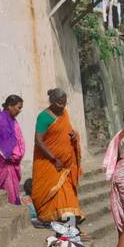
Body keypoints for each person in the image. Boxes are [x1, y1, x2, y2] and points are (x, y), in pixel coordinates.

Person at [31, 88, 85, 230]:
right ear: (53, 102)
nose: (63, 107)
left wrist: (74, 135)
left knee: (67, 194)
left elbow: (66, 131)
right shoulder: (44, 117)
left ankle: (69, 225)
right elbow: (38, 140)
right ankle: (51, 219)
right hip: (49, 163)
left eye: (65, 104)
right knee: (53, 193)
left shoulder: (64, 114)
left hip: (65, 166)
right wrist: (54, 159)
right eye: (60, 104)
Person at [0, 95, 26, 204]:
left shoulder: (13, 120)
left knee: (14, 190)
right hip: (3, 164)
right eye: (18, 107)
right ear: (10, 106)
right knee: (8, 193)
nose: (20, 111)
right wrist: (5, 155)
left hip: (13, 164)